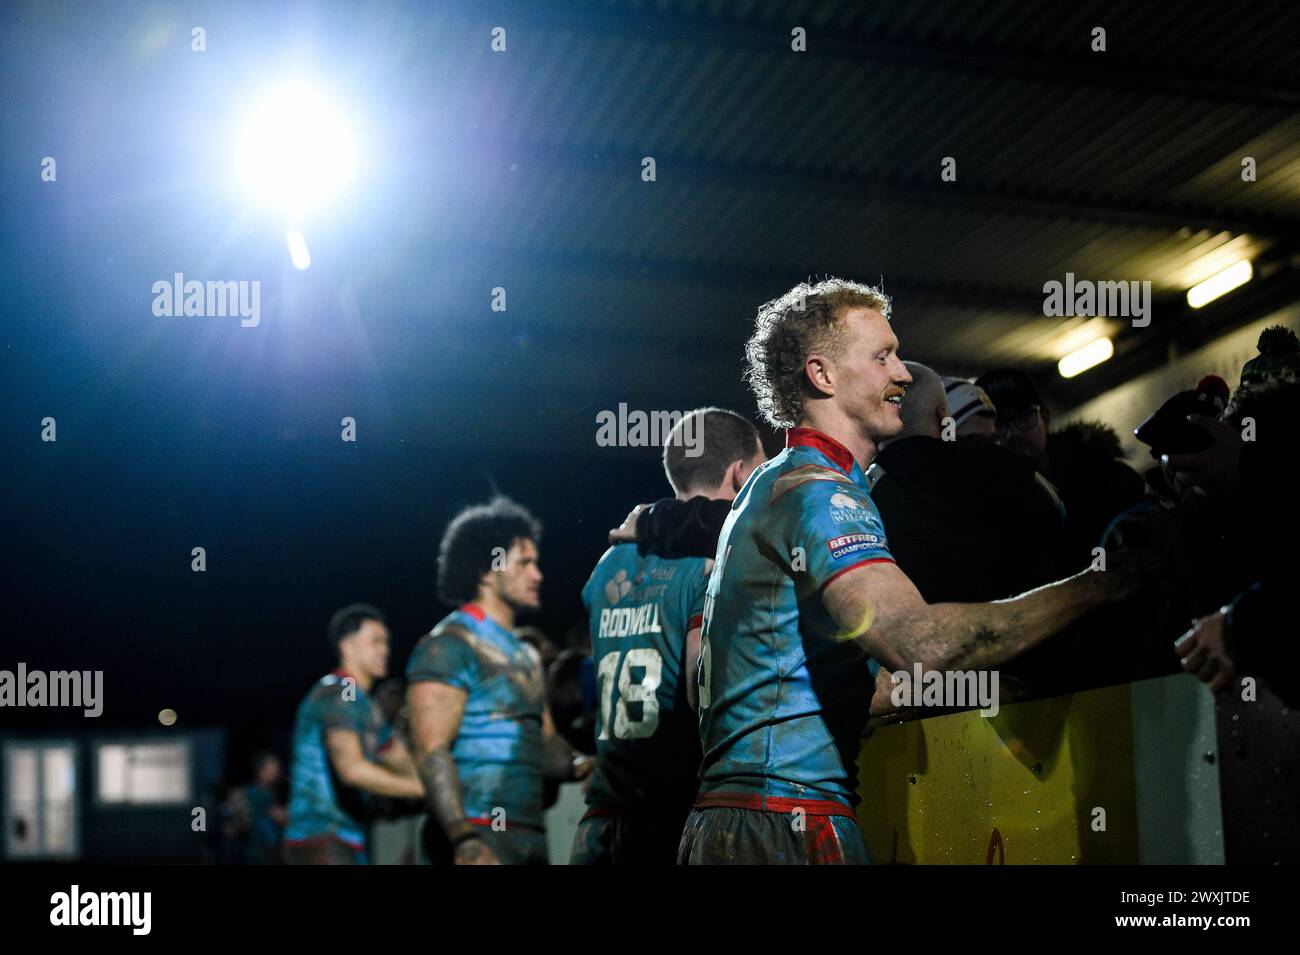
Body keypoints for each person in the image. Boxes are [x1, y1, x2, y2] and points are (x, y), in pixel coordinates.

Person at [678, 278, 1146, 865]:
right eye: (883, 358)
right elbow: (920, 641)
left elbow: (802, 687)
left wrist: (970, 687)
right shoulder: (820, 494)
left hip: (741, 818)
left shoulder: (774, 484)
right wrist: (1099, 584)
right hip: (787, 824)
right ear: (822, 376)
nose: (903, 375)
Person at [572, 408, 766, 865]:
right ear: (740, 475)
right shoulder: (706, 566)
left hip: (603, 817)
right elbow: (704, 692)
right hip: (671, 816)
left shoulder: (607, 566)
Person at [406, 497, 594, 865]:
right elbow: (431, 751)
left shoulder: (526, 656)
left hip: (529, 838)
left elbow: (546, 742)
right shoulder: (449, 644)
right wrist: (463, 838)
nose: (537, 575)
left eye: (536, 563)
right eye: (524, 563)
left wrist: (582, 765)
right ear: (486, 569)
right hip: (473, 838)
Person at [284, 605, 423, 864]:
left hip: (348, 840)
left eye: (387, 642)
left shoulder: (366, 706)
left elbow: (399, 757)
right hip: (318, 841)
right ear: (347, 647)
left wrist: (443, 782)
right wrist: (419, 788)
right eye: (375, 641)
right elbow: (352, 770)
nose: (385, 650)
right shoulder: (337, 695)